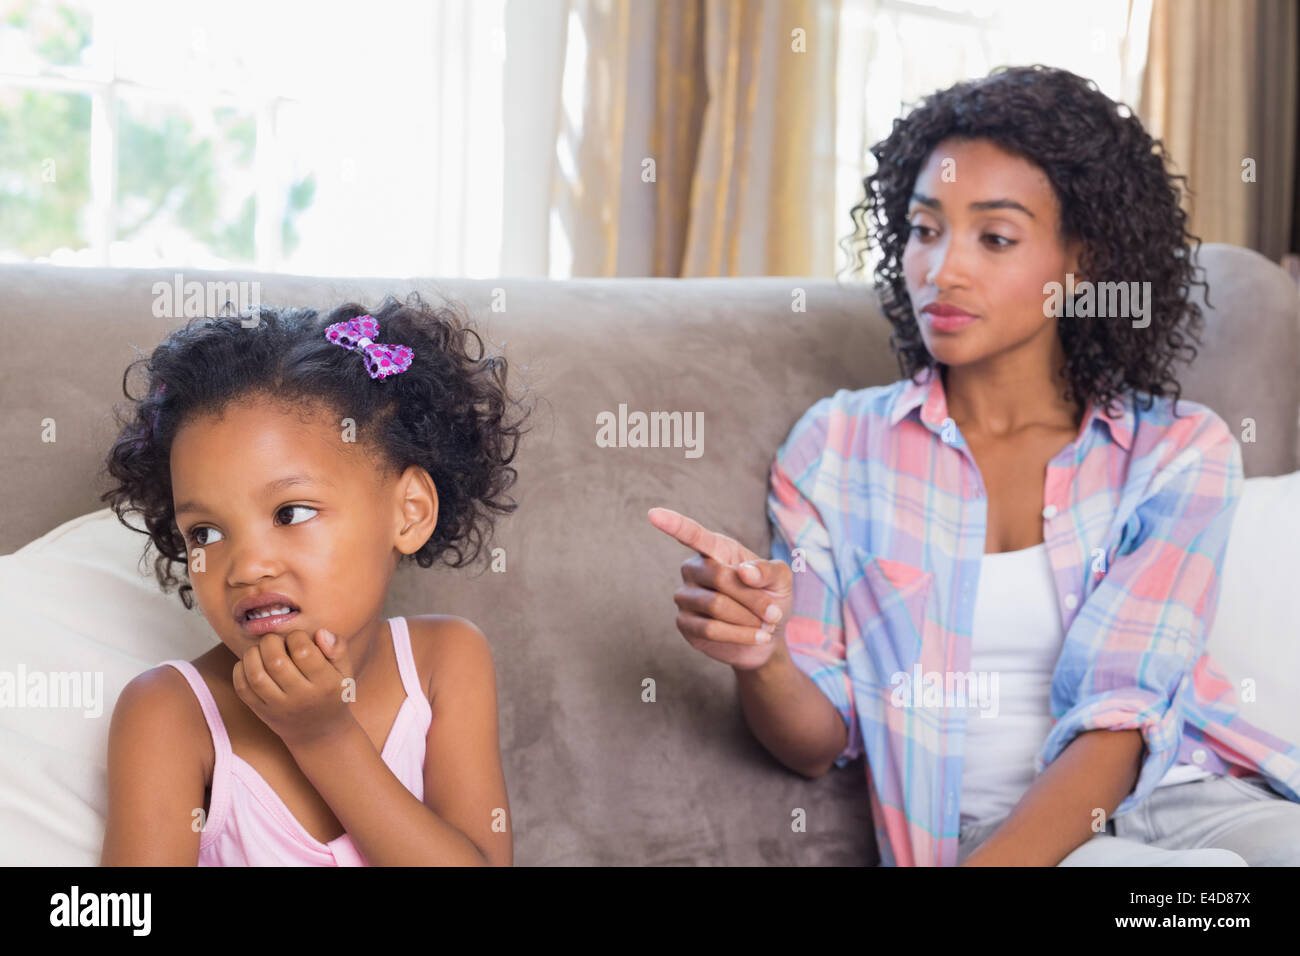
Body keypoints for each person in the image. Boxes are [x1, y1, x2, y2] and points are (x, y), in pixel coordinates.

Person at [650, 64, 1300, 867]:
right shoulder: (837, 448)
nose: (943, 269)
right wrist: (764, 657)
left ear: (1082, 263)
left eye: (994, 238)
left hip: (1193, 797)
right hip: (994, 836)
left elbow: (1121, 718)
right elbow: (816, 744)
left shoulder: (1177, 452)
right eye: (925, 230)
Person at [99, 294, 529, 865]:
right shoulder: (169, 712)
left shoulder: (445, 662)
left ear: (410, 512)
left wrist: (324, 737)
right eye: (205, 532)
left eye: (291, 513)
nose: (247, 568)